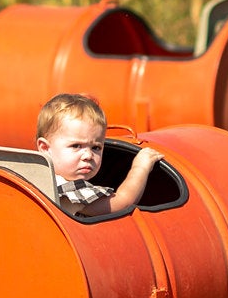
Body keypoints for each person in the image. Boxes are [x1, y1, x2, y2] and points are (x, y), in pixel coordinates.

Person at [34, 92, 164, 217]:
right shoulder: (66, 190)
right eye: (76, 146)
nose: (88, 156)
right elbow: (121, 203)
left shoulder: (34, 178)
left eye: (96, 147)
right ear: (45, 148)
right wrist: (140, 167)